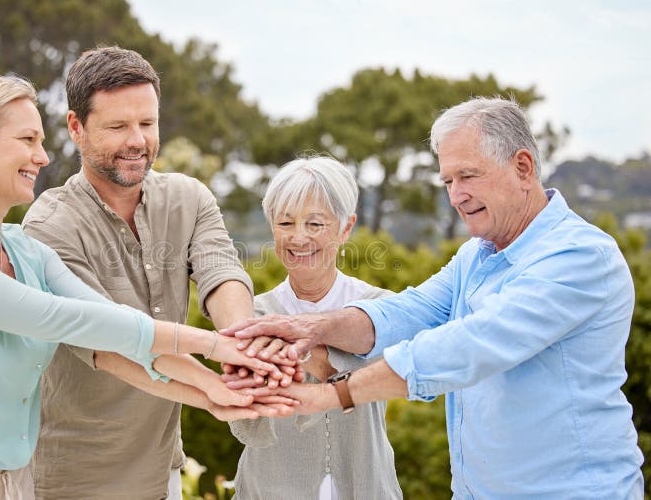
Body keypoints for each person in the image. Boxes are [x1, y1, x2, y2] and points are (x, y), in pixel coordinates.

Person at [0, 73, 286, 500]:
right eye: (26, 140)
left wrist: (212, 393)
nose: (42, 158)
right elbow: (70, 319)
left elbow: (115, 327)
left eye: (40, 142)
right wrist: (213, 348)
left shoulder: (27, 252)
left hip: (12, 487)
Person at [224, 97, 645, 499]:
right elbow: (410, 312)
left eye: (468, 176)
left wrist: (337, 393)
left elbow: (473, 344)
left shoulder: (580, 257)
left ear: (522, 167)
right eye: (448, 181)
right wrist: (314, 327)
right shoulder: (475, 257)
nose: (456, 195)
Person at [21, 47, 293, 500]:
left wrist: (244, 346)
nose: (137, 140)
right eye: (118, 126)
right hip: (70, 477)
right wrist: (213, 383)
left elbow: (220, 274)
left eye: (147, 124)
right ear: (76, 128)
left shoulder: (190, 198)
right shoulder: (49, 226)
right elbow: (106, 344)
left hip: (162, 469)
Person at [226, 156, 402, 499]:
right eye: (286, 223)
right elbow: (244, 421)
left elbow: (404, 377)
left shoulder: (380, 307)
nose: (298, 238)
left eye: (315, 224)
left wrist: (307, 351)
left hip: (367, 484)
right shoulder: (251, 313)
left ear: (346, 228)